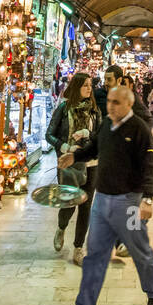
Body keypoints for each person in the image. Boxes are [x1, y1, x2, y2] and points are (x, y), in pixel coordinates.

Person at [54, 85, 153, 305]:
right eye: (109, 101)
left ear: (128, 105)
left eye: (116, 102)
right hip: (102, 201)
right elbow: (94, 148)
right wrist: (75, 156)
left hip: (130, 204)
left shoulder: (139, 130)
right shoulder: (105, 125)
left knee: (140, 250)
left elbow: (150, 165)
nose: (110, 106)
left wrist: (148, 199)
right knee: (95, 257)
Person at [46, 72, 99, 265]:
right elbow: (49, 134)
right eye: (85, 85)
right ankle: (61, 227)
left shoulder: (94, 111)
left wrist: (89, 134)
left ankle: (78, 248)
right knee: (69, 203)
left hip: (91, 164)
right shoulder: (64, 108)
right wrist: (64, 147)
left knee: (85, 206)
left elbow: (99, 136)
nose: (89, 88)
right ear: (76, 87)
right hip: (68, 163)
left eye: (90, 85)